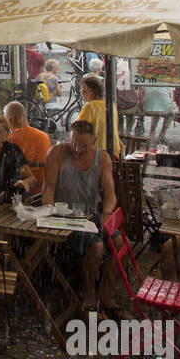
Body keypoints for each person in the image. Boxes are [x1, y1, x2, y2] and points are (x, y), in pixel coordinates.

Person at [42, 120, 119, 314]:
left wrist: (107, 213)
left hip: (91, 215)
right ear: (68, 138)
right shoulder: (57, 153)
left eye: (84, 145)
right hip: (64, 217)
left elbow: (111, 196)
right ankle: (88, 293)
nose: (78, 149)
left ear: (94, 141)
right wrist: (48, 213)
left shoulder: (102, 158)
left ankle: (106, 293)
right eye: (74, 143)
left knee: (120, 246)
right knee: (97, 246)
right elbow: (48, 189)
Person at [3, 100, 51, 196]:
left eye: (5, 119)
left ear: (11, 120)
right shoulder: (44, 136)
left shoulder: (10, 139)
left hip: (23, 190)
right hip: (43, 189)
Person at [76, 74, 123, 159]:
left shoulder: (89, 107)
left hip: (96, 155)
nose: (81, 91)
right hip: (114, 153)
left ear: (91, 91)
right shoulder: (111, 104)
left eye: (83, 88)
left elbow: (80, 132)